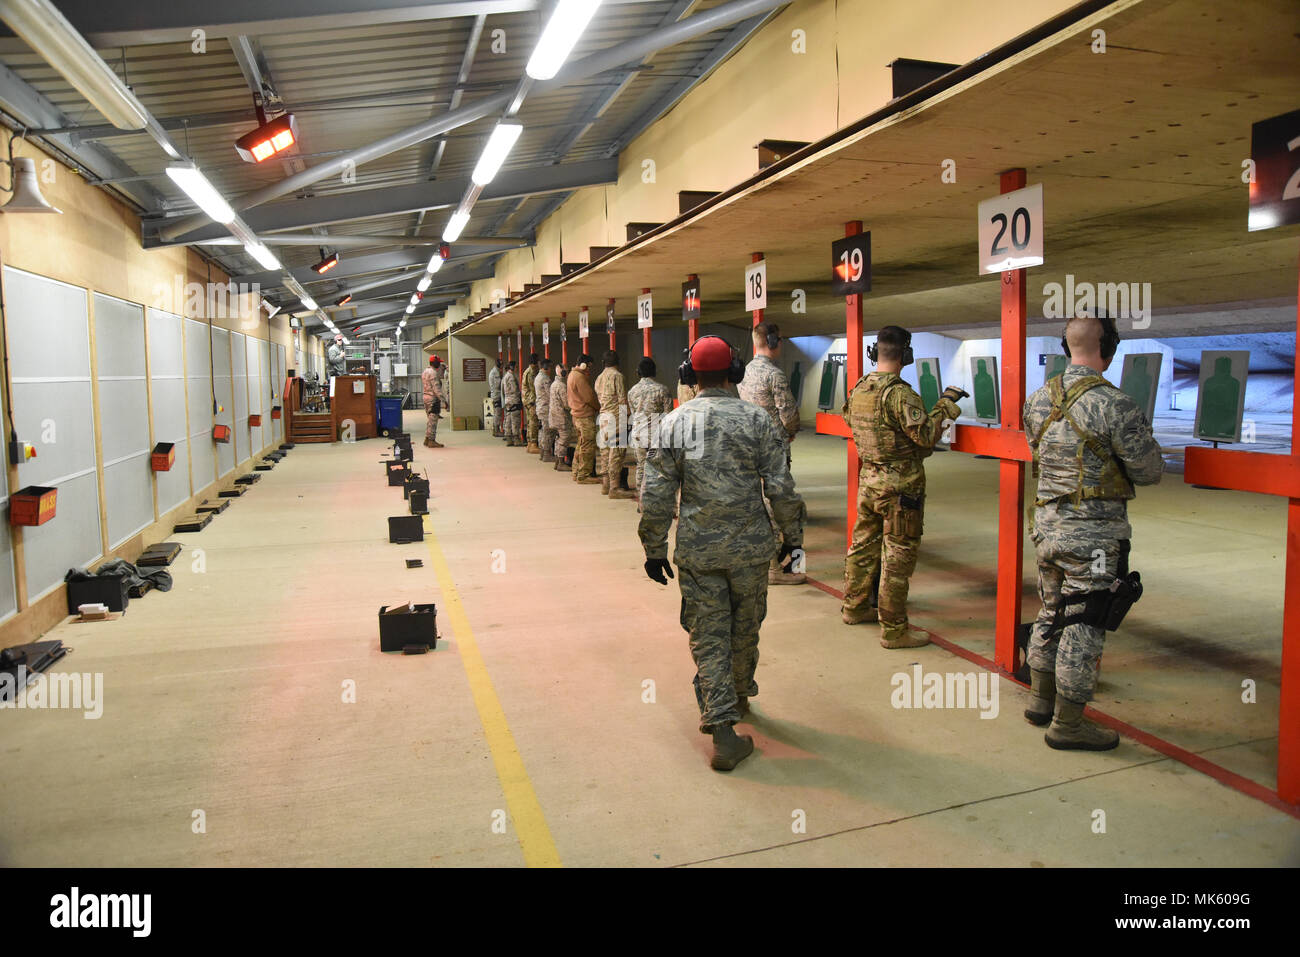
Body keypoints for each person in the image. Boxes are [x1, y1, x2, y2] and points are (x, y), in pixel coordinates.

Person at [639, 336, 806, 772]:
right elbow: (781, 487)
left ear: (688, 375)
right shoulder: (758, 420)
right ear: (734, 373)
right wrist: (793, 538)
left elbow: (655, 492)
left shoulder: (674, 423)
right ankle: (733, 704)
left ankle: (723, 722)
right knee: (745, 628)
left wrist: (654, 548)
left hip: (699, 552)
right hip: (751, 551)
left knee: (709, 635)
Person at [1022, 315, 1164, 750]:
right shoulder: (1115, 404)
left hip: (1047, 528)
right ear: (1110, 347)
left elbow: (1039, 451)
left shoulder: (1037, 399)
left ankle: (1039, 700)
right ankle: (1068, 725)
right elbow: (1149, 470)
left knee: (1052, 610)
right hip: (1094, 537)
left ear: (1067, 349)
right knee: (1085, 621)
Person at [841, 325, 965, 648]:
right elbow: (924, 436)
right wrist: (946, 403)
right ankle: (894, 630)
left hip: (868, 483)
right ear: (905, 355)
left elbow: (849, 421)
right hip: (900, 491)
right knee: (897, 557)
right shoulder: (900, 394)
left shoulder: (860, 388)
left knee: (863, 548)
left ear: (875, 352)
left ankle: (854, 607)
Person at [739, 322, 804, 585]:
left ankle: (760, 562)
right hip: (774, 451)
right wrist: (791, 430)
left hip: (749, 449)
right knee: (782, 507)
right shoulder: (774, 375)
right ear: (773, 341)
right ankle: (781, 568)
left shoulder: (744, 372)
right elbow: (788, 414)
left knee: (757, 504)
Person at [627, 357, 673, 507]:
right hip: (655, 436)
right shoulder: (662, 389)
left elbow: (634, 413)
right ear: (654, 371)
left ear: (638, 372)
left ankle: (642, 503)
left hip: (638, 435)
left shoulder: (632, 391)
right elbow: (668, 415)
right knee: (658, 470)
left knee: (641, 467)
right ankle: (657, 503)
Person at [595, 350, 634, 500]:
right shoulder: (618, 376)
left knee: (605, 453)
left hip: (603, 418)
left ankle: (605, 485)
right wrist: (628, 420)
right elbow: (622, 400)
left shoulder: (599, 378)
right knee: (616, 454)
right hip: (616, 419)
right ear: (618, 362)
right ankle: (615, 487)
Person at [567, 354, 601, 485]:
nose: (589, 370)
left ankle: (576, 472)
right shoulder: (579, 377)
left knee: (581, 445)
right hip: (584, 416)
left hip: (577, 415)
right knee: (588, 446)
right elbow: (589, 397)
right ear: (584, 364)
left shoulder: (572, 375)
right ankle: (584, 475)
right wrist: (598, 407)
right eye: (589, 366)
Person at [550, 363, 573, 472]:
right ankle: (561, 463)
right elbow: (567, 404)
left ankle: (557, 462)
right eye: (566, 371)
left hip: (555, 416)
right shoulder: (561, 386)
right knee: (564, 438)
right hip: (561, 416)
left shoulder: (554, 384)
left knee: (559, 439)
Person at [421, 355, 446, 449]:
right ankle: (431, 440)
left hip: (426, 397)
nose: (439, 364)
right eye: (438, 362)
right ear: (434, 362)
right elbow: (436, 388)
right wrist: (443, 400)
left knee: (430, 420)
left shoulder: (425, 371)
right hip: (433, 399)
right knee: (433, 420)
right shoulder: (433, 373)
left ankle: (427, 439)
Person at [535, 358, 554, 462]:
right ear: (546, 367)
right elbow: (550, 394)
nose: (551, 369)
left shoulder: (538, 377)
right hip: (545, 408)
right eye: (550, 367)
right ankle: (546, 454)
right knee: (548, 432)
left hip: (540, 407)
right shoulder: (545, 378)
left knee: (542, 431)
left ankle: (542, 452)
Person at [501, 360, 522, 447]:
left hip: (508, 401)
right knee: (515, 421)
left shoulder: (505, 376)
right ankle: (516, 439)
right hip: (513, 400)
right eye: (516, 367)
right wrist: (520, 396)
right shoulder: (511, 377)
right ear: (512, 367)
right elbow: (514, 389)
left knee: (508, 420)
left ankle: (509, 439)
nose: (517, 368)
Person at [522, 353, 540, 453]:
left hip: (528, 400)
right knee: (533, 422)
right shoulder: (532, 372)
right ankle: (533, 443)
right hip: (531, 400)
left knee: (529, 422)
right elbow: (534, 387)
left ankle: (529, 443)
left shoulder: (528, 371)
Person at [488, 358, 503, 437]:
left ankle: (496, 429)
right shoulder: (495, 372)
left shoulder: (494, 371)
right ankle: (496, 430)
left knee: (497, 413)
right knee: (497, 413)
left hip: (496, 394)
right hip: (497, 395)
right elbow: (498, 385)